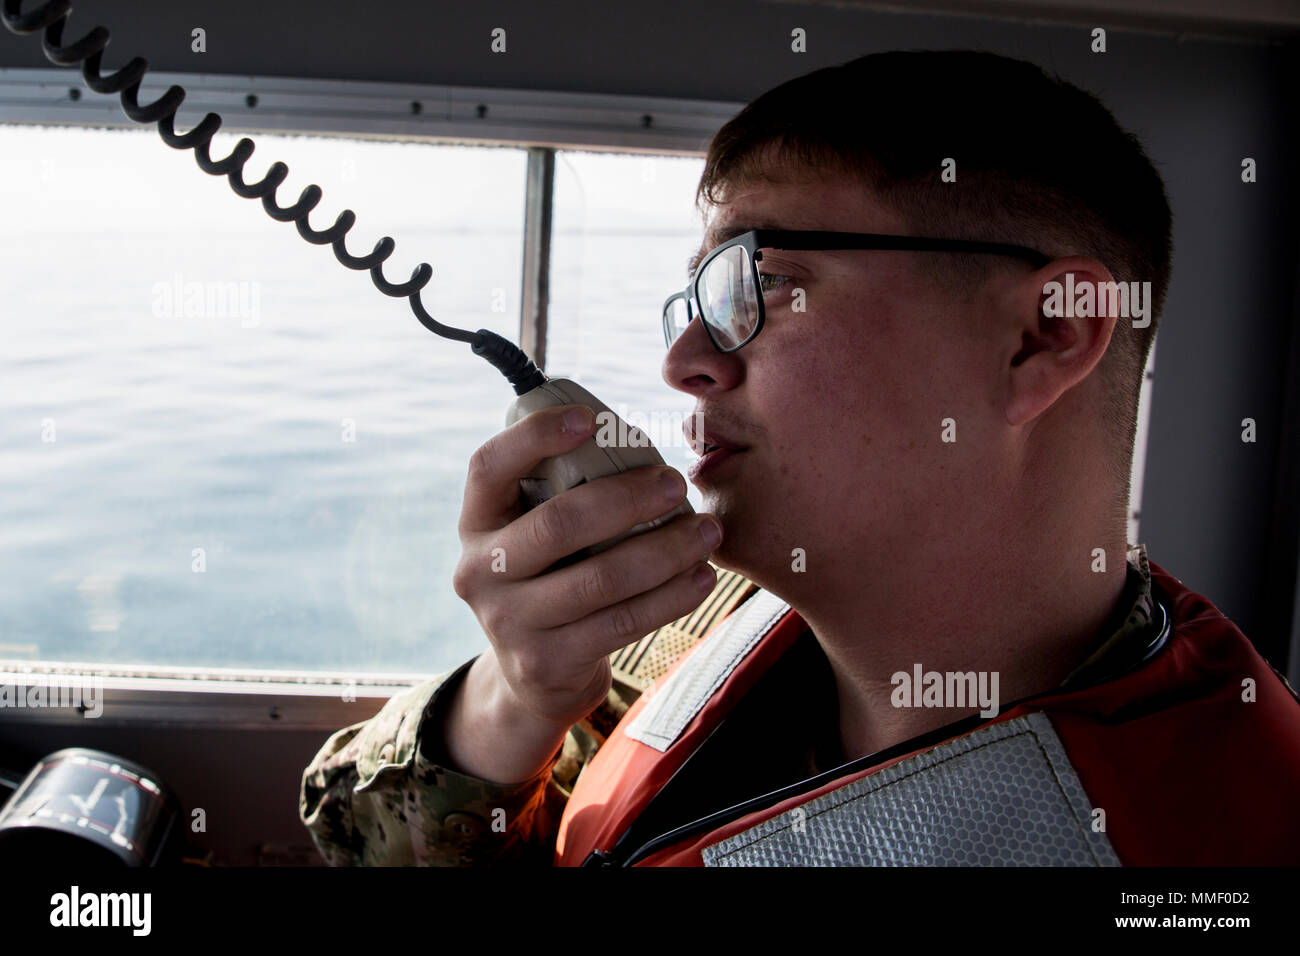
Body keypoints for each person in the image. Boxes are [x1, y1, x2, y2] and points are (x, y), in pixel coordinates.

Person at [299, 50, 1300, 866]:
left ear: (1042, 333)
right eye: (694, 302)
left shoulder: (1220, 829)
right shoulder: (718, 621)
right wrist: (512, 700)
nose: (684, 360)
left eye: (758, 284)